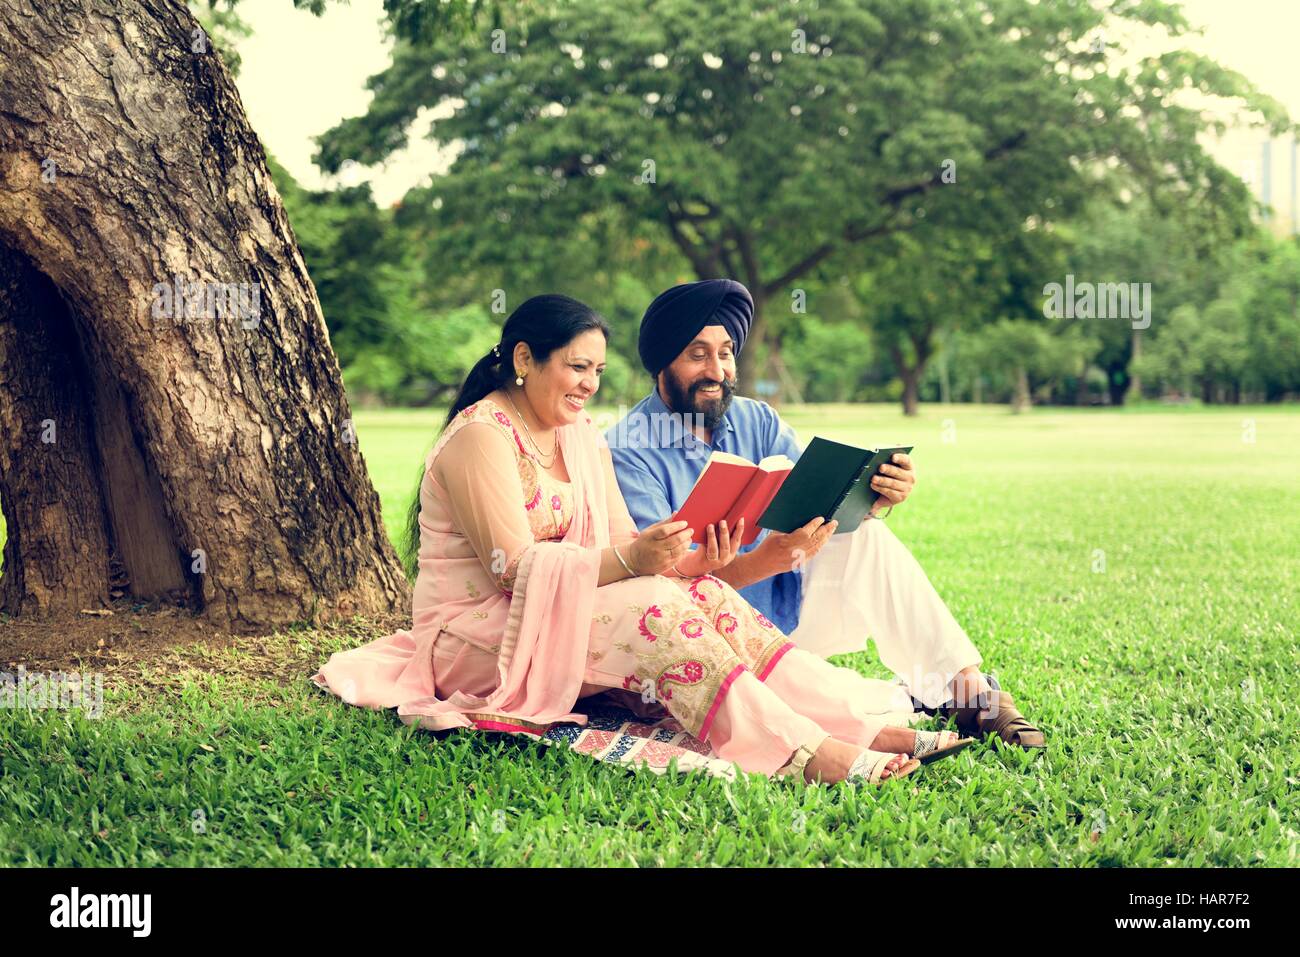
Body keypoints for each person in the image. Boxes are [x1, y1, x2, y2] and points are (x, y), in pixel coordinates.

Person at [312, 294, 977, 786]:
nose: (588, 385)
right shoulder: (481, 436)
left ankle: (858, 725)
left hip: (554, 612)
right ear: (523, 359)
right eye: (576, 367)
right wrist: (640, 563)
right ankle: (802, 752)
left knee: (702, 598)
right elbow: (513, 569)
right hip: (477, 636)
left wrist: (695, 564)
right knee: (651, 608)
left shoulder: (576, 433)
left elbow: (633, 546)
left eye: (597, 371)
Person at [605, 279, 1045, 750]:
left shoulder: (758, 420)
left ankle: (973, 694)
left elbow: (819, 503)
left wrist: (875, 498)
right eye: (697, 354)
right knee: (848, 707)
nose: (717, 370)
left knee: (864, 536)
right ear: (662, 362)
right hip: (711, 641)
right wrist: (765, 560)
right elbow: (661, 595)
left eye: (726, 353)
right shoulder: (627, 447)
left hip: (790, 611)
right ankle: (906, 701)